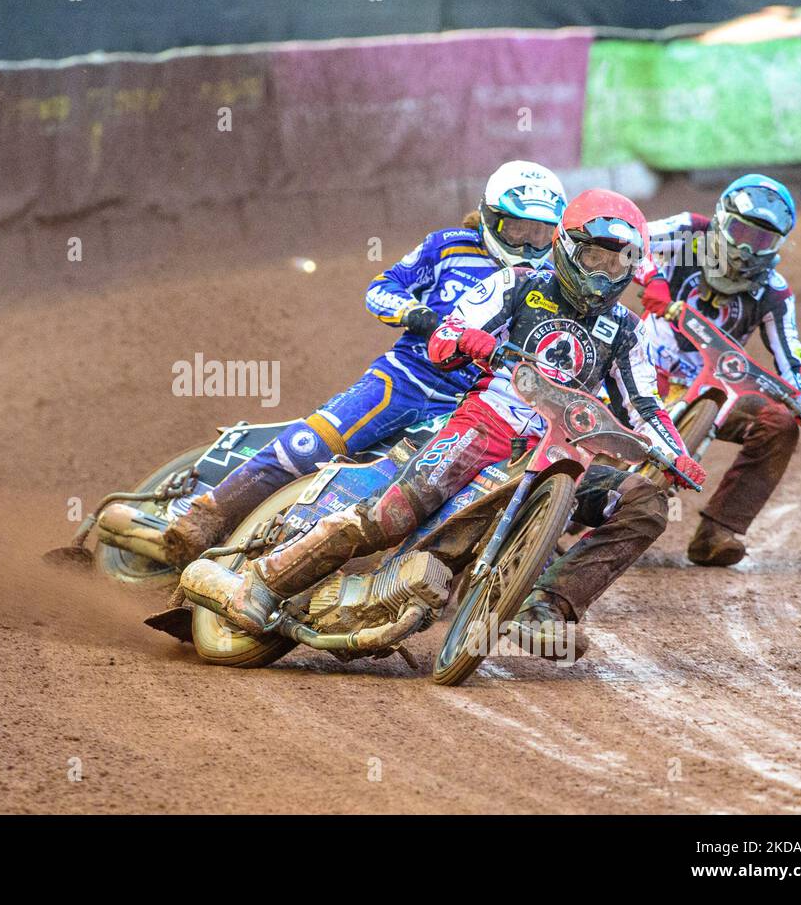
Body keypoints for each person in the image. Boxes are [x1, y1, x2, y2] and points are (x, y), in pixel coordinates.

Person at [180, 189, 707, 656]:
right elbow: (446, 334)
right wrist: (467, 340)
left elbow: (646, 408)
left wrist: (675, 452)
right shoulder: (519, 284)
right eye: (595, 257)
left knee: (645, 501)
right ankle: (260, 585)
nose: (604, 275)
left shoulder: (626, 332)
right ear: (569, 249)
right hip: (484, 429)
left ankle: (546, 609)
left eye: (619, 265)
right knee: (387, 519)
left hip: (561, 455)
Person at [151, 161, 567, 568]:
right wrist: (414, 314)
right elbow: (381, 288)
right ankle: (205, 515)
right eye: (517, 229)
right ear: (492, 219)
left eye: (540, 234)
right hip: (404, 379)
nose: (528, 244)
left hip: (468, 406)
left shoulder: (551, 286)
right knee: (309, 445)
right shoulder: (448, 246)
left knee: (444, 490)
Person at [637, 174, 801, 566]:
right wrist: (652, 278)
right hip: (640, 371)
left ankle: (718, 532)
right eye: (741, 231)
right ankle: (551, 508)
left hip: (714, 392)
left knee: (779, 424)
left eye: (761, 240)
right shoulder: (690, 231)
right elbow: (629, 238)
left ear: (777, 246)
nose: (746, 247)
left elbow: (790, 354)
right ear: (721, 219)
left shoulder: (773, 292)